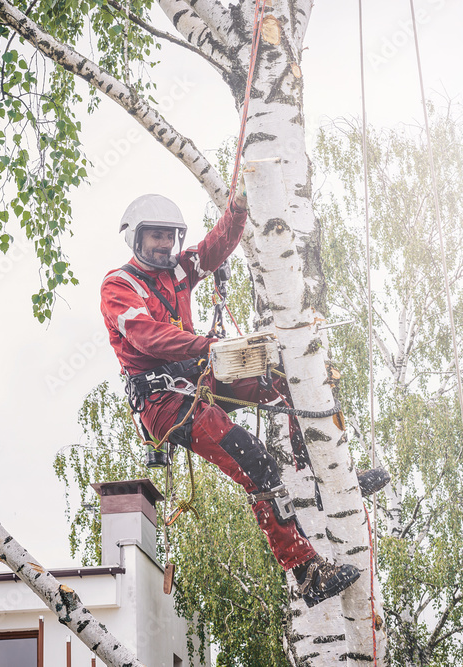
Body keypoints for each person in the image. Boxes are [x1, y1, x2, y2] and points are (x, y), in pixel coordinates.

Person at [99, 192, 362, 608]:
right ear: (136, 238)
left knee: (287, 378)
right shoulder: (119, 285)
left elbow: (216, 246)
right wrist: (206, 346)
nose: (165, 244)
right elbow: (145, 335)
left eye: (170, 236)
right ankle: (306, 571)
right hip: (164, 400)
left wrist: (238, 208)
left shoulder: (180, 270)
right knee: (251, 457)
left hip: (199, 376)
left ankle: (325, 473)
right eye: (156, 237)